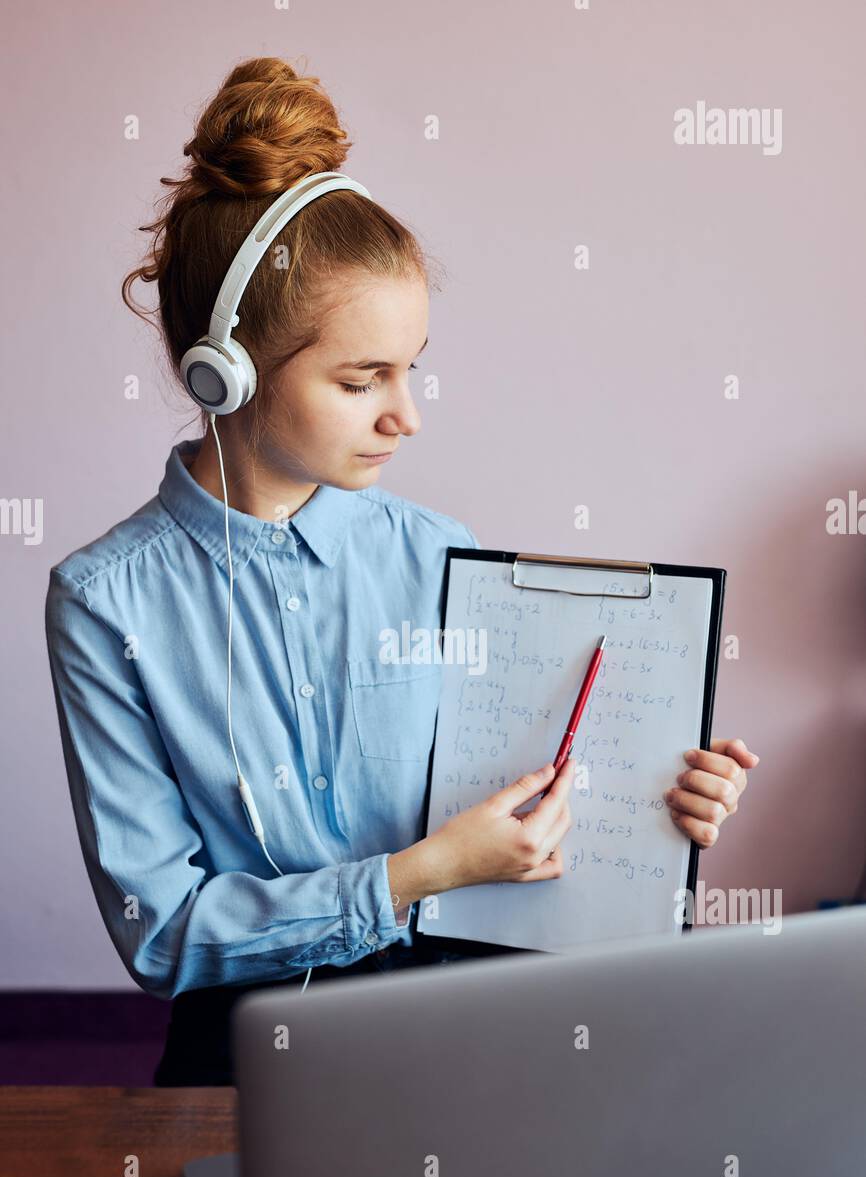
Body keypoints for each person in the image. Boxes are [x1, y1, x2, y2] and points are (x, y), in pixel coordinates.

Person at [44, 57, 758, 1087]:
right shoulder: (104, 602)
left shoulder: (437, 553)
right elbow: (163, 934)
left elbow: (520, 827)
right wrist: (418, 875)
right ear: (224, 370)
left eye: (409, 367)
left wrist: (655, 806)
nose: (405, 414)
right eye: (358, 378)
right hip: (244, 1058)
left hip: (457, 1029)